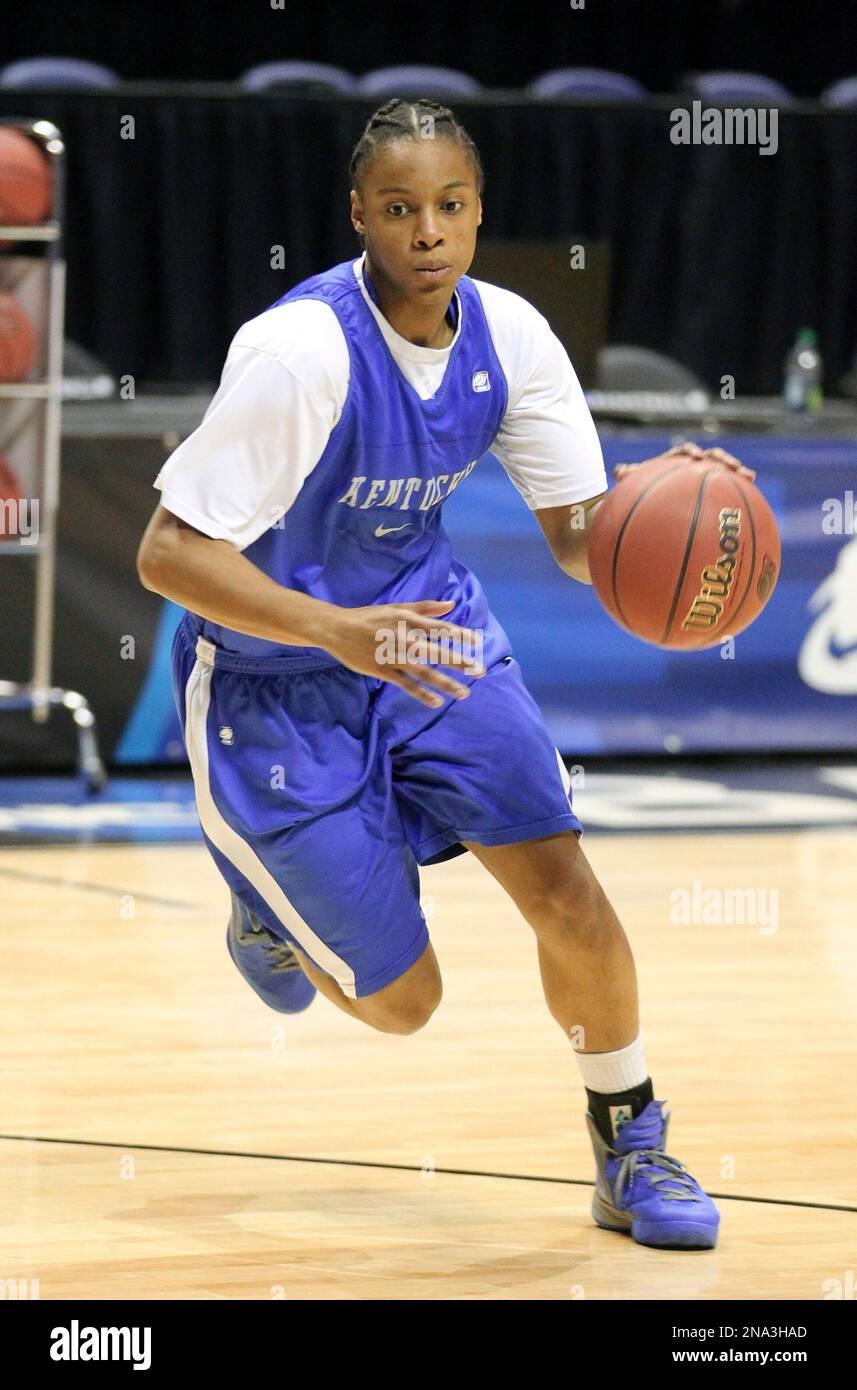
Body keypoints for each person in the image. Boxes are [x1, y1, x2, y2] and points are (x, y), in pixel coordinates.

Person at [137, 97, 753, 1250]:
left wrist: (661, 505)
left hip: (429, 639)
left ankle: (629, 1143)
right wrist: (335, 631)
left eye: (451, 206)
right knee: (403, 1005)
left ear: (478, 213)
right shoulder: (299, 353)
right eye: (401, 209)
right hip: (275, 680)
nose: (429, 230)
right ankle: (266, 908)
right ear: (360, 218)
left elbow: (580, 538)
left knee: (565, 887)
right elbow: (167, 555)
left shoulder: (509, 336)